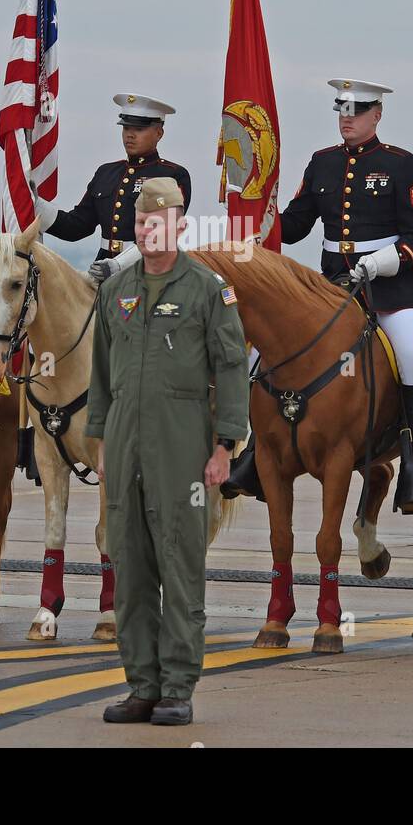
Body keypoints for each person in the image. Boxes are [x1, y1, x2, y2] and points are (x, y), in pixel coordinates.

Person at [86, 177, 249, 727]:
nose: (149, 232)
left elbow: (230, 369)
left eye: (159, 223)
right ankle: (142, 685)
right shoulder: (117, 290)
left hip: (183, 444)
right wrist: (103, 441)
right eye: (140, 223)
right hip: (125, 443)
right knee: (128, 564)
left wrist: (226, 444)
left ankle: (178, 685)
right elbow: (102, 373)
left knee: (179, 562)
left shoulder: (208, 289)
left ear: (179, 224)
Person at [261, 78, 413, 513]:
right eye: (341, 110)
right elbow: (297, 224)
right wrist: (259, 211)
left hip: (390, 289)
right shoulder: (321, 163)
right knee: (261, 350)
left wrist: (384, 261)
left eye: (356, 112)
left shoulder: (400, 164)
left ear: (377, 115)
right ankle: (255, 450)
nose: (347, 118)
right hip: (332, 287)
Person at [34, 93, 192, 285]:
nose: (130, 135)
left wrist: (118, 265)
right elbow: (76, 227)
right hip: (102, 270)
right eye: (126, 127)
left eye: (139, 128)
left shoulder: (172, 175)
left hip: (151, 275)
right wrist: (34, 204)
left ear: (159, 133)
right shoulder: (106, 173)